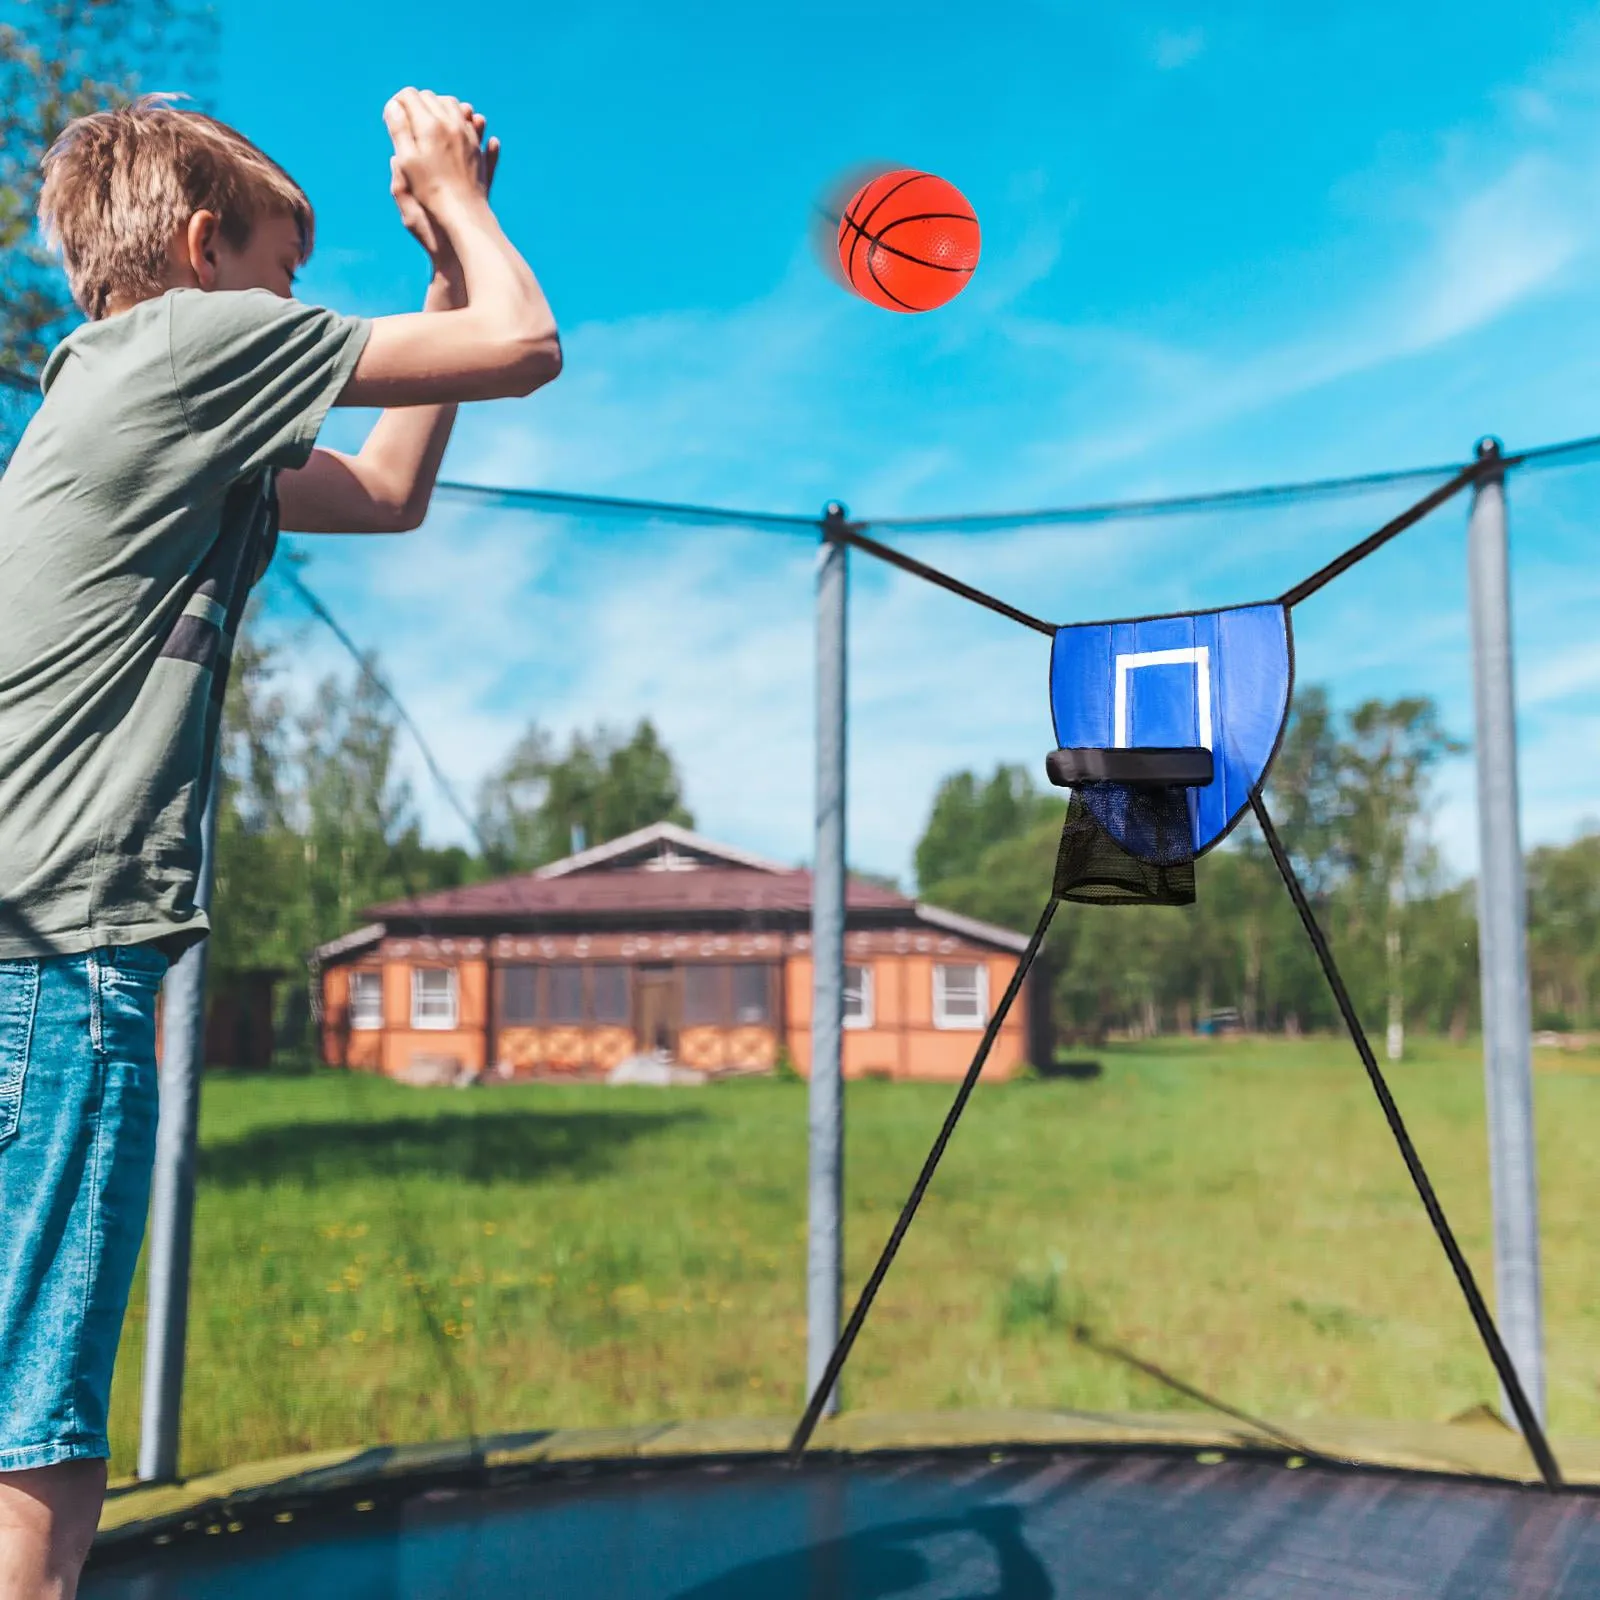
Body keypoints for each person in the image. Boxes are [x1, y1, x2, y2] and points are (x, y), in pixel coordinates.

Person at [0, 88, 560, 1600]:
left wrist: (435, 274)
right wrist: (460, 201)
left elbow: (384, 493)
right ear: (201, 254)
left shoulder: (130, 399)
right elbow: (525, 344)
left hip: (21, 950)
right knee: (36, 1426)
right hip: (57, 960)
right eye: (283, 276)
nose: (296, 310)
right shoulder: (186, 346)